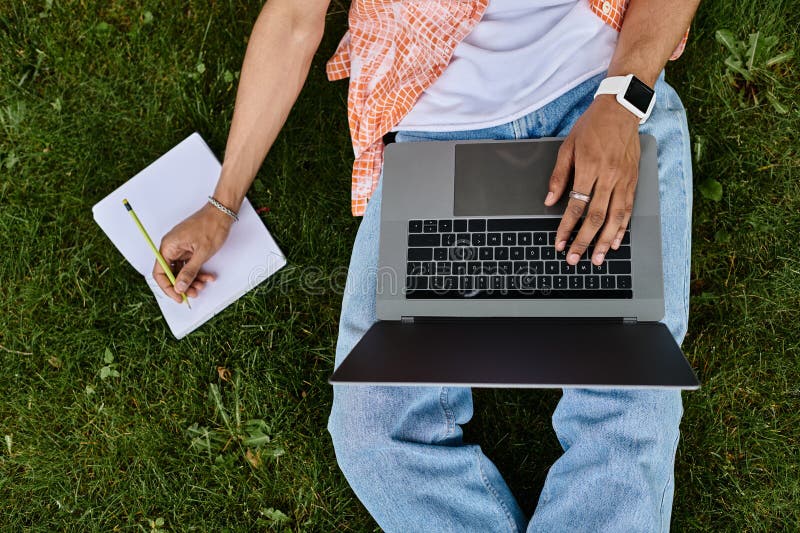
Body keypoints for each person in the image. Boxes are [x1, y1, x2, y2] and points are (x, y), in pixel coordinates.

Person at [154, 0, 701, 530]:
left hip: (597, 96)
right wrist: (221, 204)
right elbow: (295, 17)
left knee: (629, 398)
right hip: (436, 144)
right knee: (373, 429)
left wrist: (623, 101)